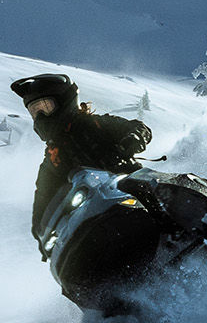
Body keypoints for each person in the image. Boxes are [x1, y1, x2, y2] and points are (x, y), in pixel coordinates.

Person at [12, 73, 153, 242]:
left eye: (45, 107)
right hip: (97, 215)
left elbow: (138, 127)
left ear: (65, 101)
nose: (40, 116)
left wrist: (134, 138)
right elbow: (43, 193)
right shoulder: (53, 159)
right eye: (35, 111)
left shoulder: (96, 124)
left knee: (164, 197)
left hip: (132, 187)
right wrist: (40, 229)